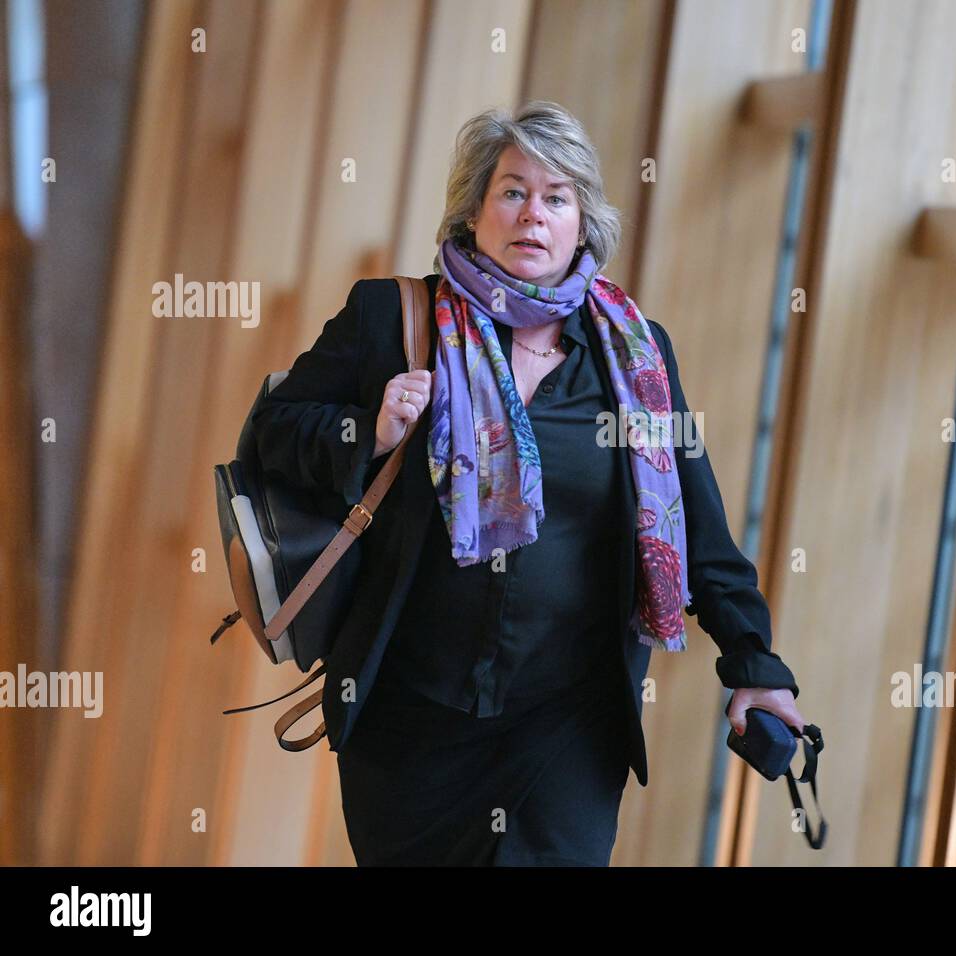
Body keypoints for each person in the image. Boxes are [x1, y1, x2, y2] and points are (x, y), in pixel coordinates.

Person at [251, 100, 810, 866]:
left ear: (584, 222)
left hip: (566, 727)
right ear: (475, 210)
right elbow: (275, 434)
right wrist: (368, 433)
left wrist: (755, 664)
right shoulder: (394, 320)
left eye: (557, 197)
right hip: (412, 726)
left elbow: (698, 524)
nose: (532, 215)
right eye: (512, 191)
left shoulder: (635, 359)